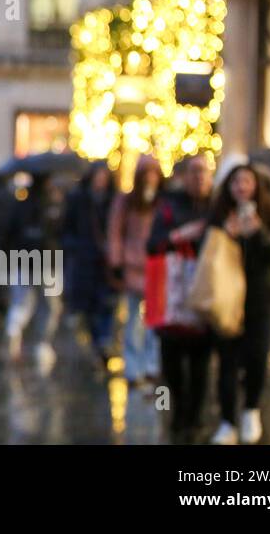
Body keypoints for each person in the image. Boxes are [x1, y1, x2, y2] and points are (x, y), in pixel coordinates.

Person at [207, 161, 270, 445]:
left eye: (247, 181)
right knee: (227, 362)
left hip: (262, 300)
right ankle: (228, 420)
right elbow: (207, 252)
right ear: (228, 187)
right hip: (226, 299)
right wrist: (225, 235)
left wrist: (258, 233)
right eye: (236, 182)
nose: (242, 187)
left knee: (257, 359)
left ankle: (251, 409)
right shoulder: (218, 214)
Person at [147, 154, 214, 445]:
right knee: (171, 364)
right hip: (172, 297)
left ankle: (194, 420)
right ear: (184, 176)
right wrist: (179, 235)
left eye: (204, 172)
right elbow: (152, 245)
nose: (199, 177)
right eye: (194, 172)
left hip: (205, 295)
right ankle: (175, 413)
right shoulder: (169, 206)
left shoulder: (217, 209)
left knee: (201, 365)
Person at [1, 172, 64, 370]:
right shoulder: (51, 206)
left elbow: (9, 233)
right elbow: (59, 232)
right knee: (50, 306)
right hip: (47, 262)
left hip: (23, 261)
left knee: (21, 302)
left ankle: (14, 329)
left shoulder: (21, 205)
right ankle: (42, 344)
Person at [107, 156, 161, 386]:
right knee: (133, 320)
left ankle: (151, 364)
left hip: (156, 266)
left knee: (154, 320)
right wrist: (117, 261)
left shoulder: (162, 202)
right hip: (132, 266)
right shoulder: (126, 201)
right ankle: (133, 366)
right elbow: (115, 232)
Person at [62, 161, 115, 369]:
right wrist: (74, 247)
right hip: (84, 260)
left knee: (105, 303)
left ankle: (103, 340)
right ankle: (98, 341)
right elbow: (68, 228)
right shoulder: (79, 200)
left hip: (105, 261)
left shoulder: (111, 201)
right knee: (89, 307)